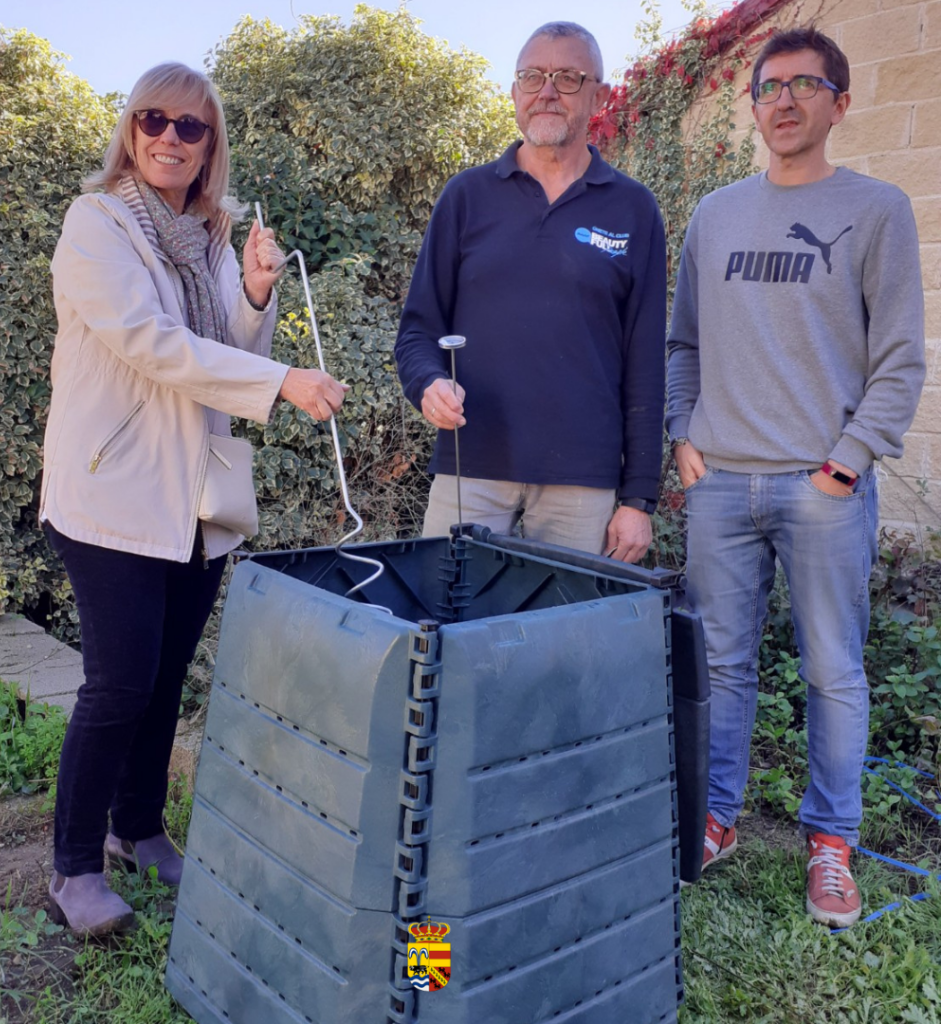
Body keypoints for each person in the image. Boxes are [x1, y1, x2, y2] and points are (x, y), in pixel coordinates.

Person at [39, 62, 348, 938]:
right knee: (118, 684)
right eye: (154, 119)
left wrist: (253, 292)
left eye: (192, 126)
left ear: (211, 144)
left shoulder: (205, 235)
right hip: (111, 492)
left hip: (194, 499)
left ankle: (137, 830)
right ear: (130, 130)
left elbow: (225, 344)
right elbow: (153, 345)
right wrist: (283, 379)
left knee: (166, 677)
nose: (170, 137)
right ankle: (73, 867)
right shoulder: (95, 225)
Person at [666, 27, 925, 927]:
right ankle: (718, 819)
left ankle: (831, 844)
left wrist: (846, 466)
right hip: (720, 486)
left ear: (839, 104)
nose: (782, 101)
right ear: (755, 106)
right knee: (723, 667)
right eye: (768, 87)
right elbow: (683, 344)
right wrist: (681, 434)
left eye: (805, 85)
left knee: (833, 672)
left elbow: (899, 360)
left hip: (821, 489)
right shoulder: (715, 215)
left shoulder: (879, 208)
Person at [394, 22, 666, 561]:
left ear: (599, 96)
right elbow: (418, 331)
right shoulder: (466, 197)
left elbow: (646, 364)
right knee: (446, 623)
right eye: (532, 76)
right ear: (515, 92)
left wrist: (638, 498)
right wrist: (427, 385)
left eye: (567, 77)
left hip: (581, 483)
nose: (547, 91)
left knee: (562, 635)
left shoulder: (633, 209)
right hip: (469, 464)